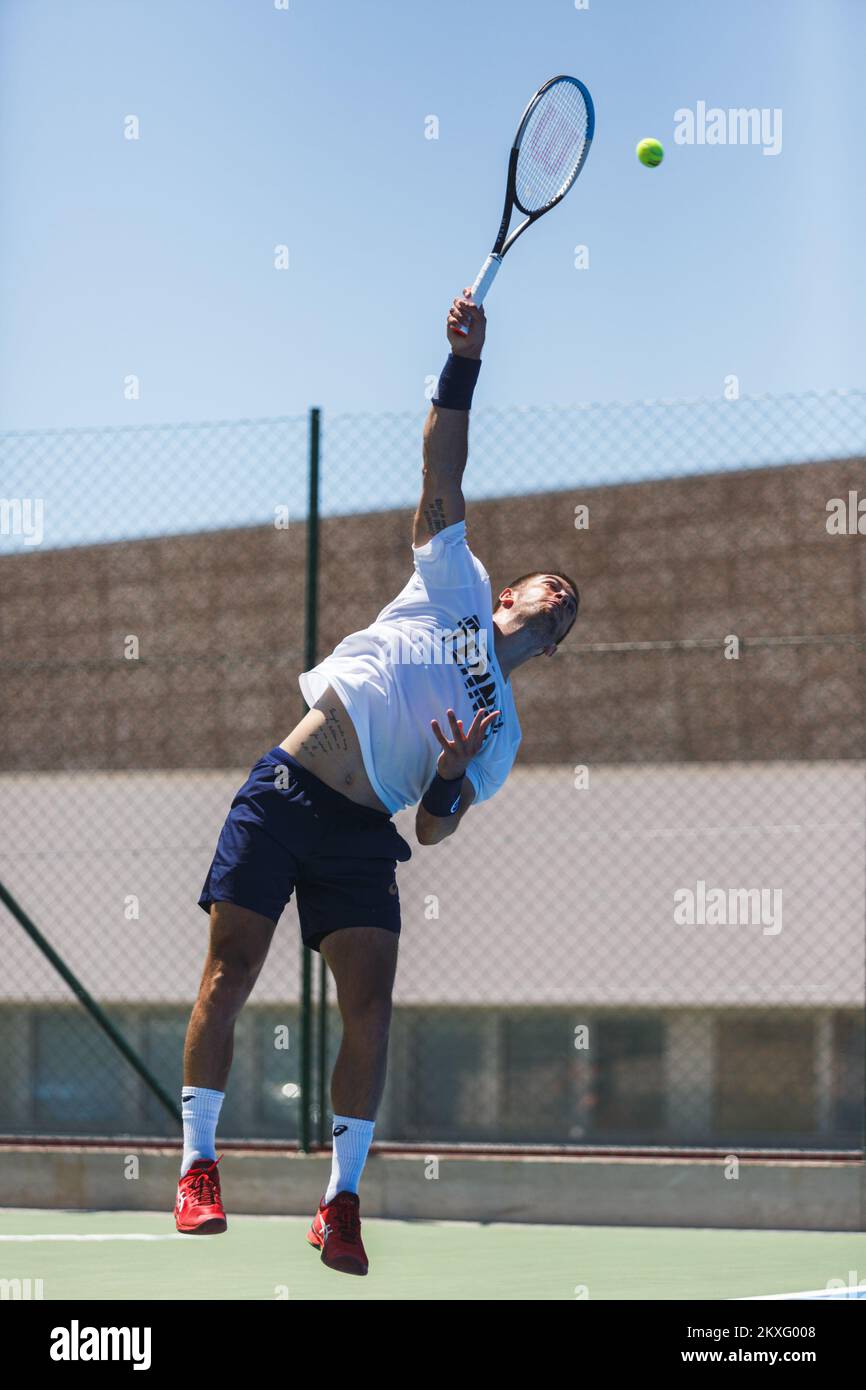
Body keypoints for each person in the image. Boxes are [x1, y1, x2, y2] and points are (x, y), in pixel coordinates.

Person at [174, 290, 579, 1275]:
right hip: (288, 787)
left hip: (362, 830)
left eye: (569, 610)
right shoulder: (449, 579)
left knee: (372, 1004)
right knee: (228, 972)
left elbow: (436, 830)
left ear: (553, 642)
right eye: (549, 587)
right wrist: (464, 362)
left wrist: (443, 780)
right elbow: (442, 458)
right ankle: (196, 1166)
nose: (561, 599)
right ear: (507, 594)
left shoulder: (501, 732)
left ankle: (341, 1200)